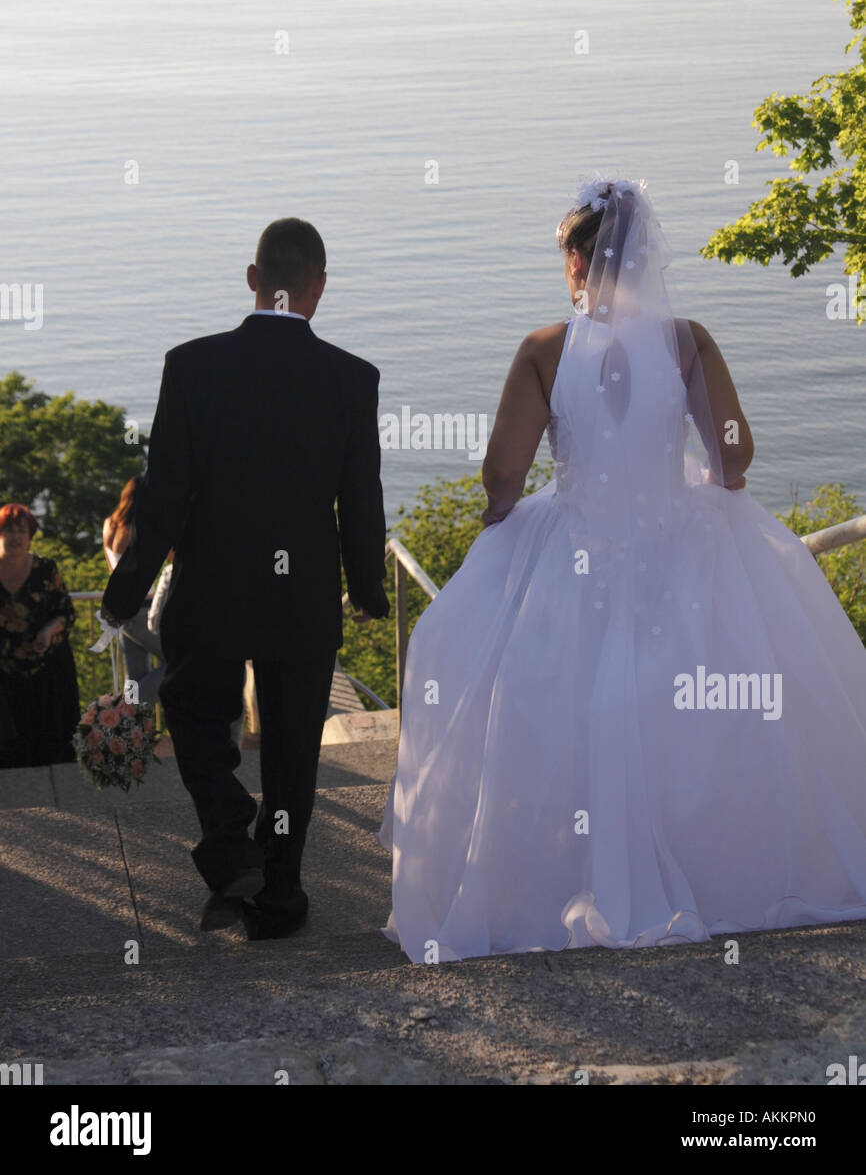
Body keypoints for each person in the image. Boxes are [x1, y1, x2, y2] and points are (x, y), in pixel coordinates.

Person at [378, 176, 866, 962]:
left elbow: (502, 475)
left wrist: (503, 524)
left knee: (542, 703)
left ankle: (557, 881)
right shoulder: (689, 341)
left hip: (571, 546)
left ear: (576, 262)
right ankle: (722, 879)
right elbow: (734, 459)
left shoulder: (544, 350)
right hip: (681, 535)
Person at [102, 217, 389, 939]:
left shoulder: (192, 366)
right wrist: (367, 588)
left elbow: (163, 495)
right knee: (293, 752)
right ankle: (280, 898)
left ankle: (231, 845)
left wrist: (125, 591)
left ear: (254, 279)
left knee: (195, 712)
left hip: (213, 588)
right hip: (304, 595)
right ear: (319, 288)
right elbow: (361, 499)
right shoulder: (351, 380)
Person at [0, 503, 80, 768]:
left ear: (30, 535)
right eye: (7, 530)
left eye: (21, 530)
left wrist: (48, 632)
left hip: (46, 669)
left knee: (50, 750)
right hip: (5, 676)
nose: (15, 537)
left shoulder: (46, 569)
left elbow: (66, 613)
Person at [103, 480, 166, 707]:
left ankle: (129, 729)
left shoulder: (109, 525)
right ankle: (127, 709)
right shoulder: (139, 530)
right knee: (179, 661)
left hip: (121, 610)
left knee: (135, 676)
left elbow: (113, 570)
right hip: (142, 609)